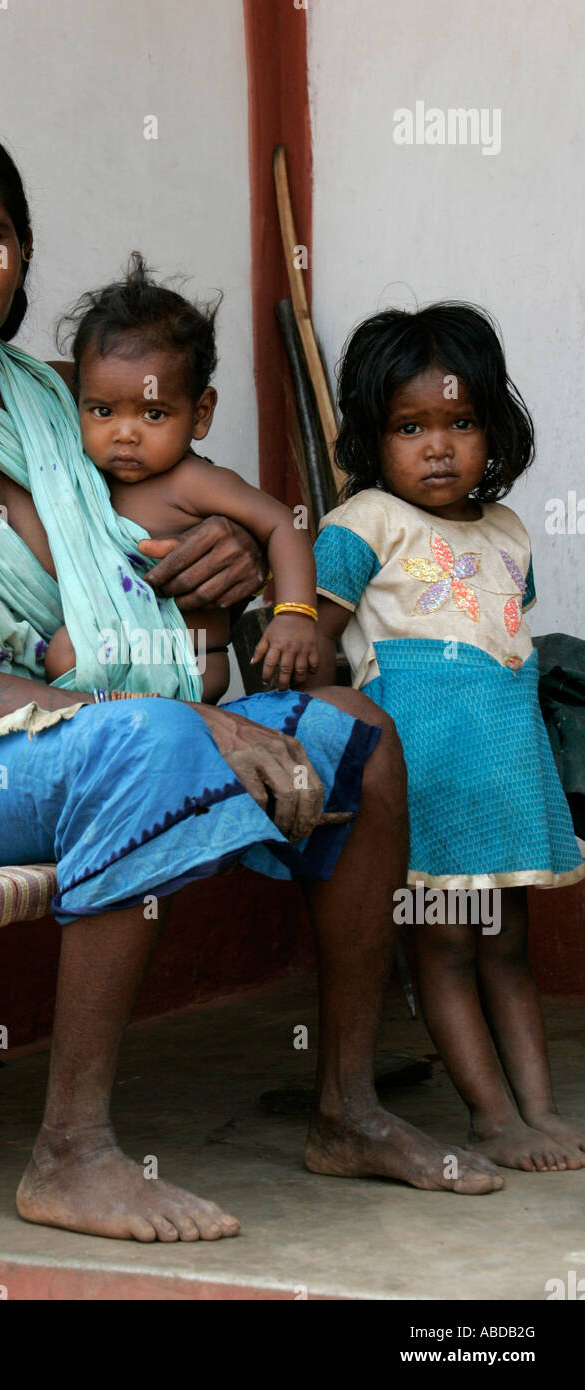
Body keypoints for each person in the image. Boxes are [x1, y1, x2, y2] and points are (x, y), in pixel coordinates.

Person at [0, 113, 504, 1246]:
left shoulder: (67, 402)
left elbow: (187, 531)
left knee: (354, 731)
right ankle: (70, 1155)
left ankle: (345, 1108)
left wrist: (240, 558)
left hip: (80, 736)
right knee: (148, 740)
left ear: (23, 251)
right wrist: (181, 721)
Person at [312, 303, 585, 1172]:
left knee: (508, 945)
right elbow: (314, 642)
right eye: (410, 426)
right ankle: (491, 1117)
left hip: (502, 783)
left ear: (494, 425)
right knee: (443, 941)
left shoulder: (506, 533)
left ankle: (539, 1110)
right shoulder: (361, 527)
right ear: (370, 437)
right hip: (421, 789)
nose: (438, 446)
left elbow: (504, 647)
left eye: (460, 421)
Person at [43, 253, 318, 702]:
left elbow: (284, 523)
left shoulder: (192, 481)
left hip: (189, 655)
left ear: (200, 413)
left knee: (70, 655)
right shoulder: (78, 474)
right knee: (63, 653)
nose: (125, 433)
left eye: (153, 413)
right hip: (115, 654)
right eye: (103, 411)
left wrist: (295, 612)